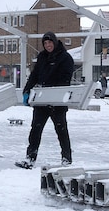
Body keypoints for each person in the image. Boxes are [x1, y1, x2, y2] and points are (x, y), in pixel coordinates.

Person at [16, 32, 74, 169]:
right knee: (35, 130)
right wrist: (27, 90)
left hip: (57, 100)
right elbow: (35, 75)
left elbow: (65, 79)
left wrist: (52, 88)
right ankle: (30, 158)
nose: (48, 46)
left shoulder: (65, 58)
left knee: (61, 130)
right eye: (45, 43)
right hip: (41, 100)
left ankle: (67, 158)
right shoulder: (42, 57)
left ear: (54, 42)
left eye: (50, 43)